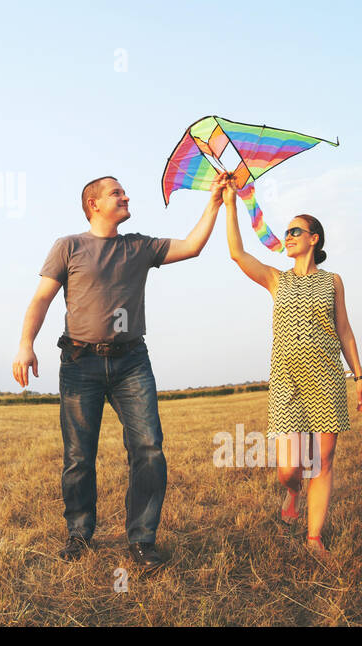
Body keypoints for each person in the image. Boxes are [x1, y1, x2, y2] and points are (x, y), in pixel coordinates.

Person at [12, 171, 230, 569]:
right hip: (80, 362)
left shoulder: (140, 247)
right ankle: (79, 534)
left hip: (132, 361)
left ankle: (143, 539)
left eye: (125, 191)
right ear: (94, 203)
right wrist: (26, 344)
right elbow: (42, 298)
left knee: (147, 448)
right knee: (79, 455)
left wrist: (214, 202)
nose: (126, 196)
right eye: (117, 192)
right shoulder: (68, 247)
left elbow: (193, 246)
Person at [221, 180, 362, 557]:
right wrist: (230, 205)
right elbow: (238, 254)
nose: (286, 237)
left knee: (323, 461)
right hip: (287, 383)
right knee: (289, 467)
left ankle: (314, 538)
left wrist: (360, 375)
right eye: (285, 232)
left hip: (328, 380)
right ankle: (292, 491)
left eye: (294, 231)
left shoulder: (332, 281)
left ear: (314, 239)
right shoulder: (276, 279)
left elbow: (345, 330)